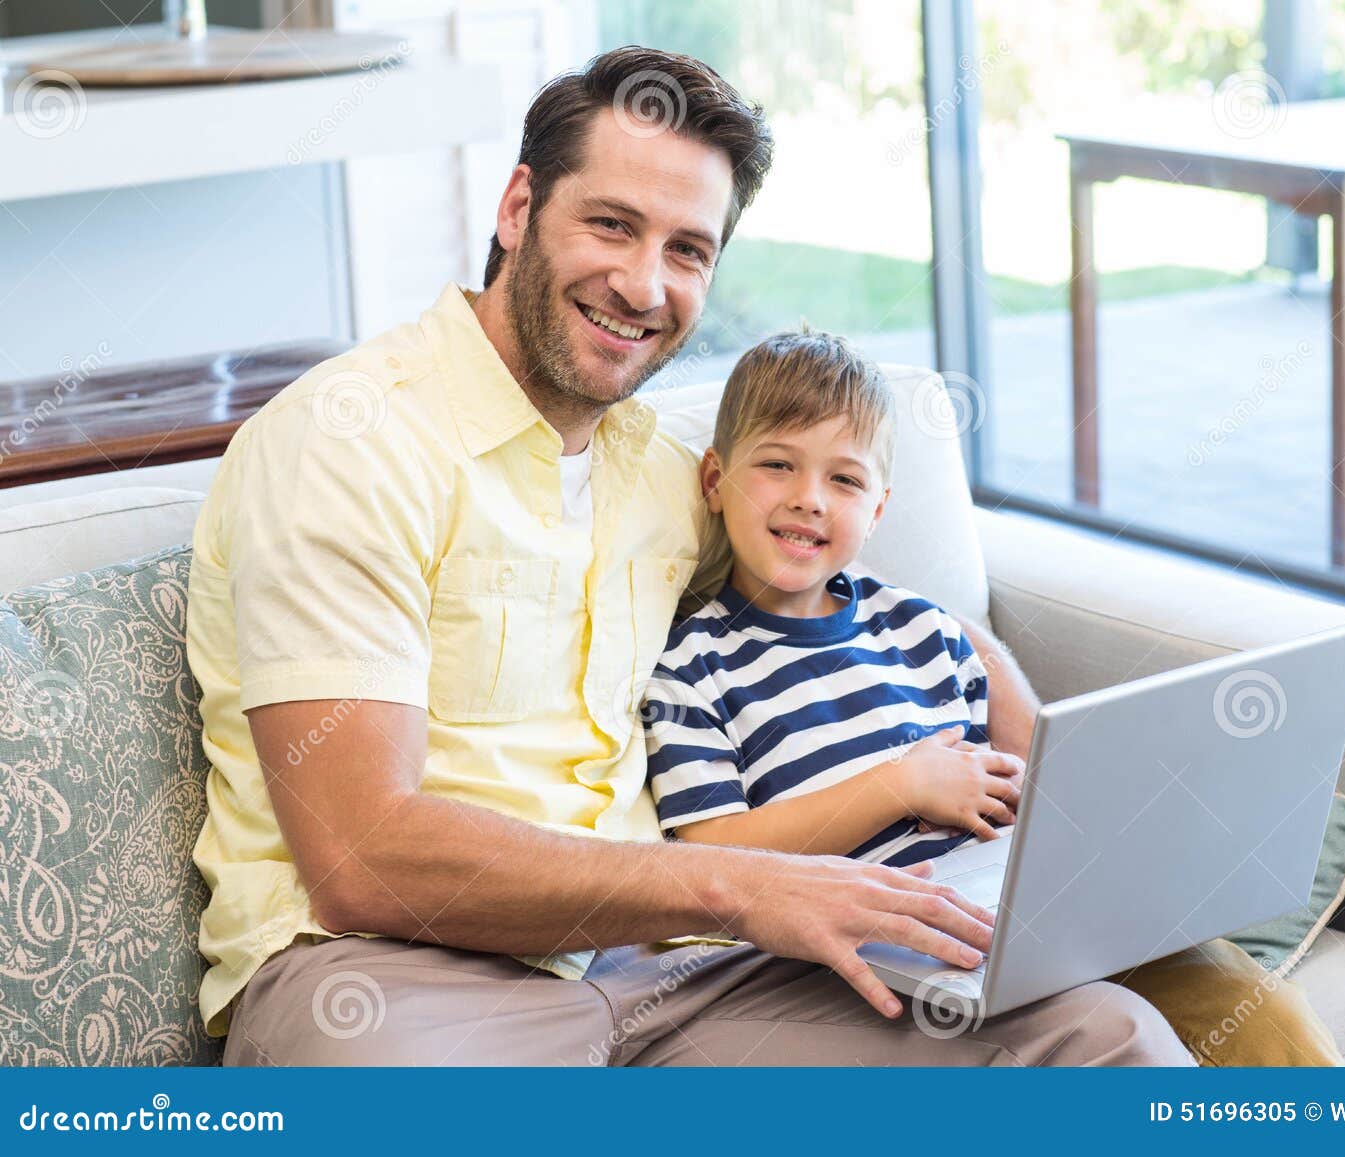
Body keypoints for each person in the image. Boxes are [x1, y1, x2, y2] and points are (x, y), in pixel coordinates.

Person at [193, 46, 1195, 1066]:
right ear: (517, 208)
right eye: (612, 225)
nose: (642, 284)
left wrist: (1045, 775)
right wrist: (742, 885)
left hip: (679, 974)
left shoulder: (675, 474)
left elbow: (880, 599)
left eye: (688, 249)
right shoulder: (349, 441)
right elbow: (364, 856)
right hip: (396, 979)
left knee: (1101, 1041)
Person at [643, 329, 1345, 1066]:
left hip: (1020, 912)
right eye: (777, 465)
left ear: (878, 507)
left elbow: (1016, 785)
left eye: (844, 480)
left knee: (1262, 1010)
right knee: (1109, 1024)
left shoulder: (926, 628)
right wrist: (901, 785)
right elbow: (713, 854)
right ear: (715, 479)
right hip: (881, 949)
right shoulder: (692, 665)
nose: (808, 499)